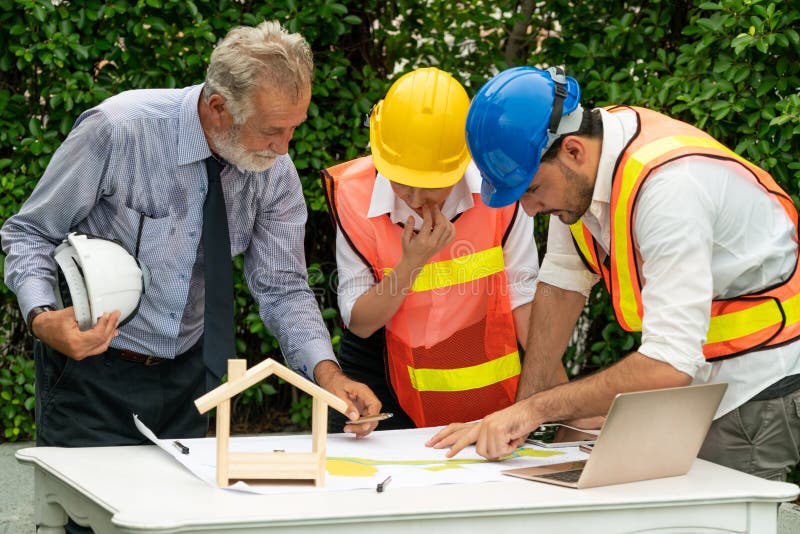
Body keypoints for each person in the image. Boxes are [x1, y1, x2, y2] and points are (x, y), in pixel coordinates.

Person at [1, 20, 382, 454]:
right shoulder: (119, 129)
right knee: (89, 522)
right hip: (92, 373)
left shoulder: (274, 173)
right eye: (272, 130)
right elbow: (29, 231)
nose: (285, 149)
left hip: (192, 377)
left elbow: (283, 285)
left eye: (294, 127)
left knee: (179, 517)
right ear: (219, 107)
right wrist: (42, 316)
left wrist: (329, 374)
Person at [428, 66, 800, 481]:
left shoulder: (669, 189)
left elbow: (667, 364)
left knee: (712, 521)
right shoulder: (580, 173)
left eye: (531, 190)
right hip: (693, 382)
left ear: (572, 151)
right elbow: (561, 284)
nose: (528, 210)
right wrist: (526, 418)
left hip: (754, 386)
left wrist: (536, 409)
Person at [322, 67, 539, 430]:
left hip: (481, 386)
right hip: (383, 380)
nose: (415, 199)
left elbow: (524, 300)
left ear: (462, 161)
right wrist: (411, 265)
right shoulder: (354, 195)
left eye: (431, 185)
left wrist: (557, 396)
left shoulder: (499, 192)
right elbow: (359, 323)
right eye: (403, 184)